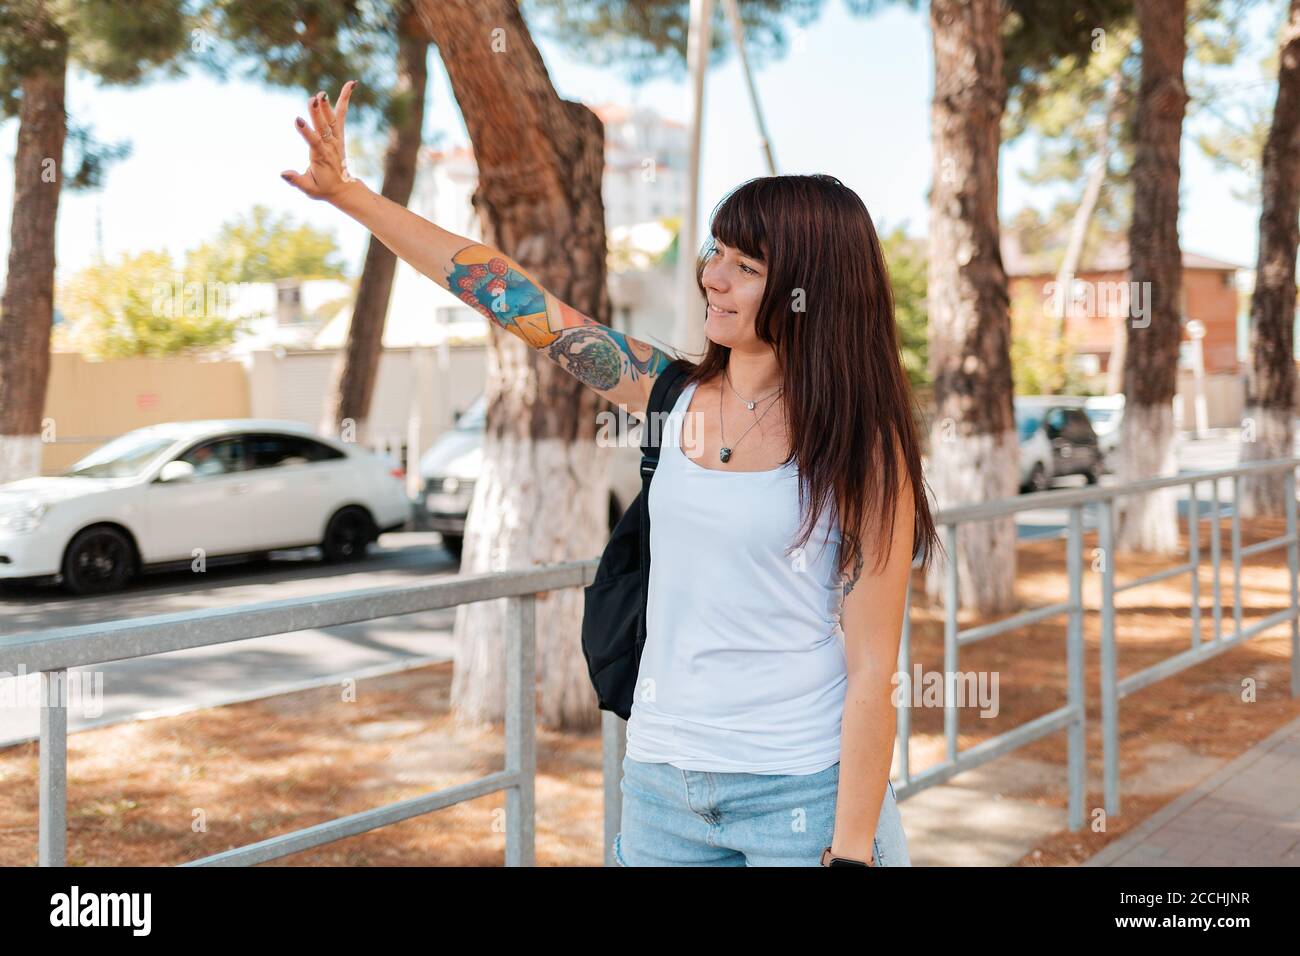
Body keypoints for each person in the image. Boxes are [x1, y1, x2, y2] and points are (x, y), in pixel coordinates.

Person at [282, 83, 942, 867]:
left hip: (799, 797)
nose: (712, 278)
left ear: (809, 295)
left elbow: (873, 670)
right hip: (661, 787)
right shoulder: (668, 392)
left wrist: (854, 850)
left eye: (745, 266)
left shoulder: (860, 448)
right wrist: (351, 195)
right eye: (714, 254)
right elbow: (504, 291)